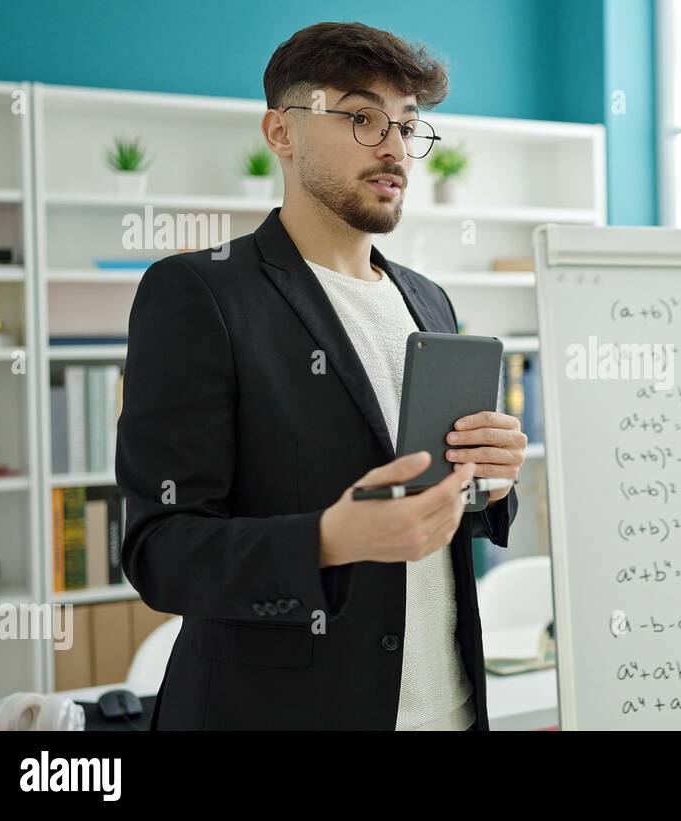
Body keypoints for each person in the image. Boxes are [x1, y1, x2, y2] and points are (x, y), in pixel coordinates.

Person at [115, 21, 525, 730]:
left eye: (407, 125)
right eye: (362, 117)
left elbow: (437, 495)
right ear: (281, 132)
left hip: (450, 712)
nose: (395, 147)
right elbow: (162, 550)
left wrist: (489, 478)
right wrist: (331, 539)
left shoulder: (429, 299)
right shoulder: (198, 293)